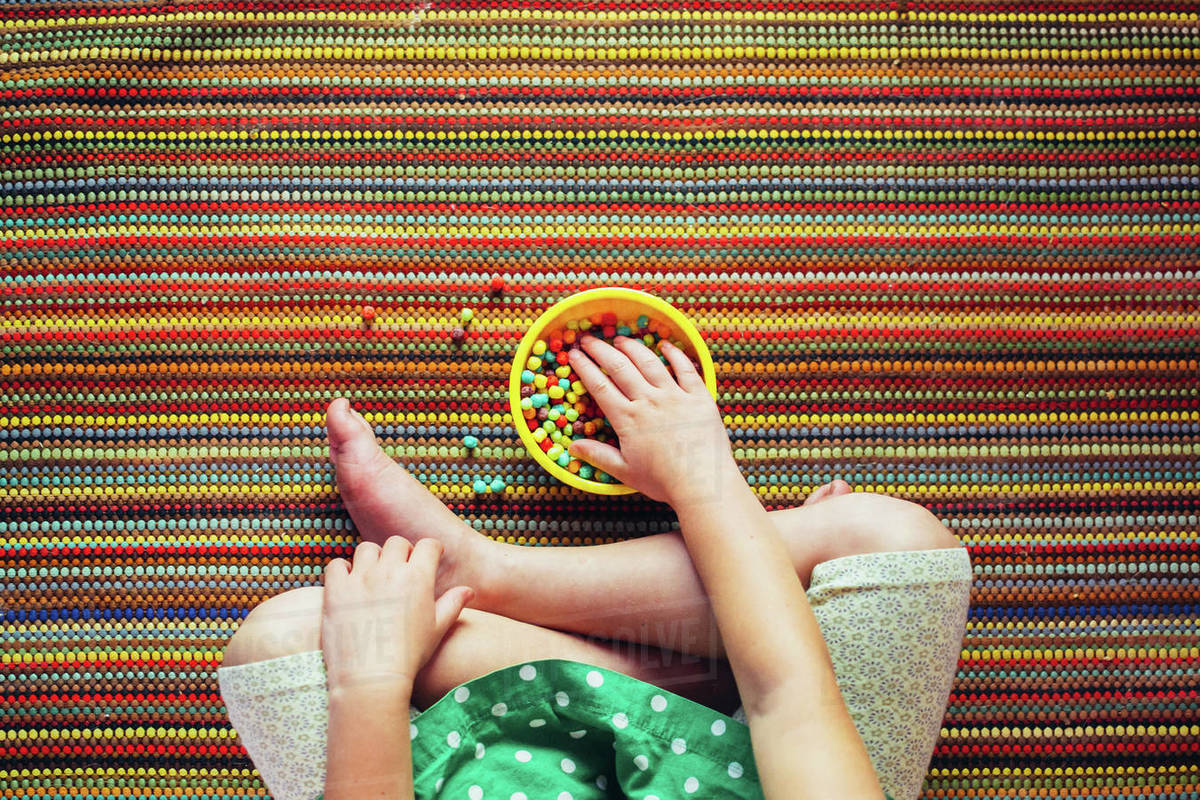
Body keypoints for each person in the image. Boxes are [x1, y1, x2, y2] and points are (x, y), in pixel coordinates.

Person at [218, 334, 972, 800]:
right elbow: (786, 699)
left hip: (491, 769)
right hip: (746, 772)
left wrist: (370, 686)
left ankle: (681, 641)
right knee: (893, 543)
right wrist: (702, 483)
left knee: (279, 645)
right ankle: (496, 574)